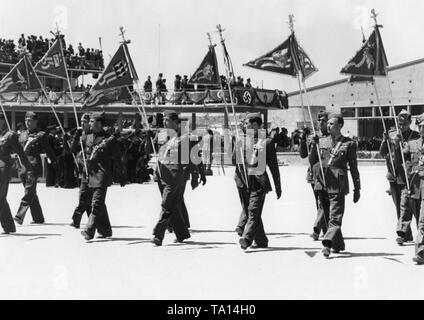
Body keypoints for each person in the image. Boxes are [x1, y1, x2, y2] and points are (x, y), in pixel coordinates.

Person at [310, 113, 361, 258]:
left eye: (332, 123)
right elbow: (312, 161)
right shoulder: (321, 141)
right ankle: (338, 244)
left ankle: (327, 243)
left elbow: (354, 167)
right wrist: (313, 146)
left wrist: (357, 188)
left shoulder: (348, 143)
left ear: (339, 126)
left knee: (335, 216)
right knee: (326, 216)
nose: (328, 125)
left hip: (337, 184)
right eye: (328, 123)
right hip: (322, 182)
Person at [151, 110, 203, 246]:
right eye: (163, 119)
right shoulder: (161, 135)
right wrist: (147, 138)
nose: (164, 122)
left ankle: (158, 234)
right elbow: (149, 150)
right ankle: (182, 233)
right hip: (161, 174)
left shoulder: (185, 138)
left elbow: (192, 158)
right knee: (173, 205)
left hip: (175, 176)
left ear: (176, 123)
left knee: (166, 204)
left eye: (167, 120)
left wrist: (195, 176)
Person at [235, 113, 282, 250]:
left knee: (254, 210)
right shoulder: (241, 140)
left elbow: (274, 167)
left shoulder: (267, 142)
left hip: (258, 182)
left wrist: (278, 186)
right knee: (248, 210)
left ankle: (247, 238)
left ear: (255, 125)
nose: (244, 126)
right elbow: (234, 160)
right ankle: (261, 240)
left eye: (246, 123)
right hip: (242, 180)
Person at [80, 112, 126, 240]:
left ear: (99, 123)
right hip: (90, 175)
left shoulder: (109, 139)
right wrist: (76, 137)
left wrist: (121, 174)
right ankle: (105, 230)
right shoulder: (87, 137)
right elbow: (76, 151)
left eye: (92, 121)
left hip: (102, 175)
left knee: (97, 203)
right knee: (96, 203)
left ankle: (89, 230)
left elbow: (117, 158)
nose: (89, 123)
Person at [14, 112, 57, 225]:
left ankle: (19, 215)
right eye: (26, 120)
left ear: (36, 122)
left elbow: (48, 149)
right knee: (31, 192)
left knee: (29, 191)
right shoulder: (22, 134)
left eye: (30, 121)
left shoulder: (41, 135)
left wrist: (54, 161)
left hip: (33, 165)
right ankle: (38, 218)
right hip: (22, 167)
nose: (28, 123)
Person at [390, 110, 421, 245]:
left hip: (417, 178)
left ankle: (420, 233)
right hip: (404, 177)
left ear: (410, 123)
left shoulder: (417, 136)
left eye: (404, 124)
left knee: (418, 208)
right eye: (400, 124)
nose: (401, 126)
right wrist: (396, 145)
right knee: (404, 205)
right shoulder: (396, 136)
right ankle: (401, 232)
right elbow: (396, 160)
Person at [300, 110, 330, 241]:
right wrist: (303, 139)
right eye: (320, 120)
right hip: (314, 175)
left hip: (327, 175)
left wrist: (319, 143)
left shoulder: (331, 137)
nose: (321, 123)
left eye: (324, 120)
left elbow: (327, 157)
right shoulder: (313, 136)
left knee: (325, 202)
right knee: (319, 203)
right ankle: (326, 229)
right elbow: (303, 155)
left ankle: (317, 228)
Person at [0, 112, 32, 234]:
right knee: (1, 198)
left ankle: (8, 226)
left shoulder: (10, 135)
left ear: (3, 120)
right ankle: (9, 226)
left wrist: (28, 168)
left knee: (0, 197)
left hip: (3, 170)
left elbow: (20, 152)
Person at [70, 113, 93, 229]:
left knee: (86, 196)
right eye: (81, 121)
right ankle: (90, 220)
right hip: (81, 169)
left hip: (91, 170)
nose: (82, 124)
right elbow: (73, 149)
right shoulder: (80, 134)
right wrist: (75, 137)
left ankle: (77, 219)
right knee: (84, 195)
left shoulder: (93, 135)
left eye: (85, 121)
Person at [412, 113, 424, 264]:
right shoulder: (416, 144)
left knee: (422, 221)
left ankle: (420, 252)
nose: (422, 130)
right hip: (418, 187)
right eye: (420, 127)